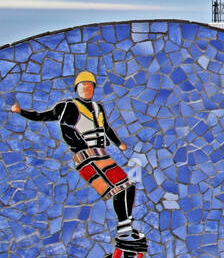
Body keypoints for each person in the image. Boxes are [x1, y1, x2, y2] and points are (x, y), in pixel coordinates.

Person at [11, 70, 144, 246]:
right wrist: (21, 111)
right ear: (76, 88)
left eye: (90, 84)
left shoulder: (98, 107)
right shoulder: (68, 106)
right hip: (85, 156)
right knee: (118, 189)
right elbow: (43, 116)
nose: (86, 88)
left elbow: (106, 129)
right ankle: (124, 232)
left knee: (128, 186)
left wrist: (118, 143)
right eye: (83, 85)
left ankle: (125, 228)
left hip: (101, 153)